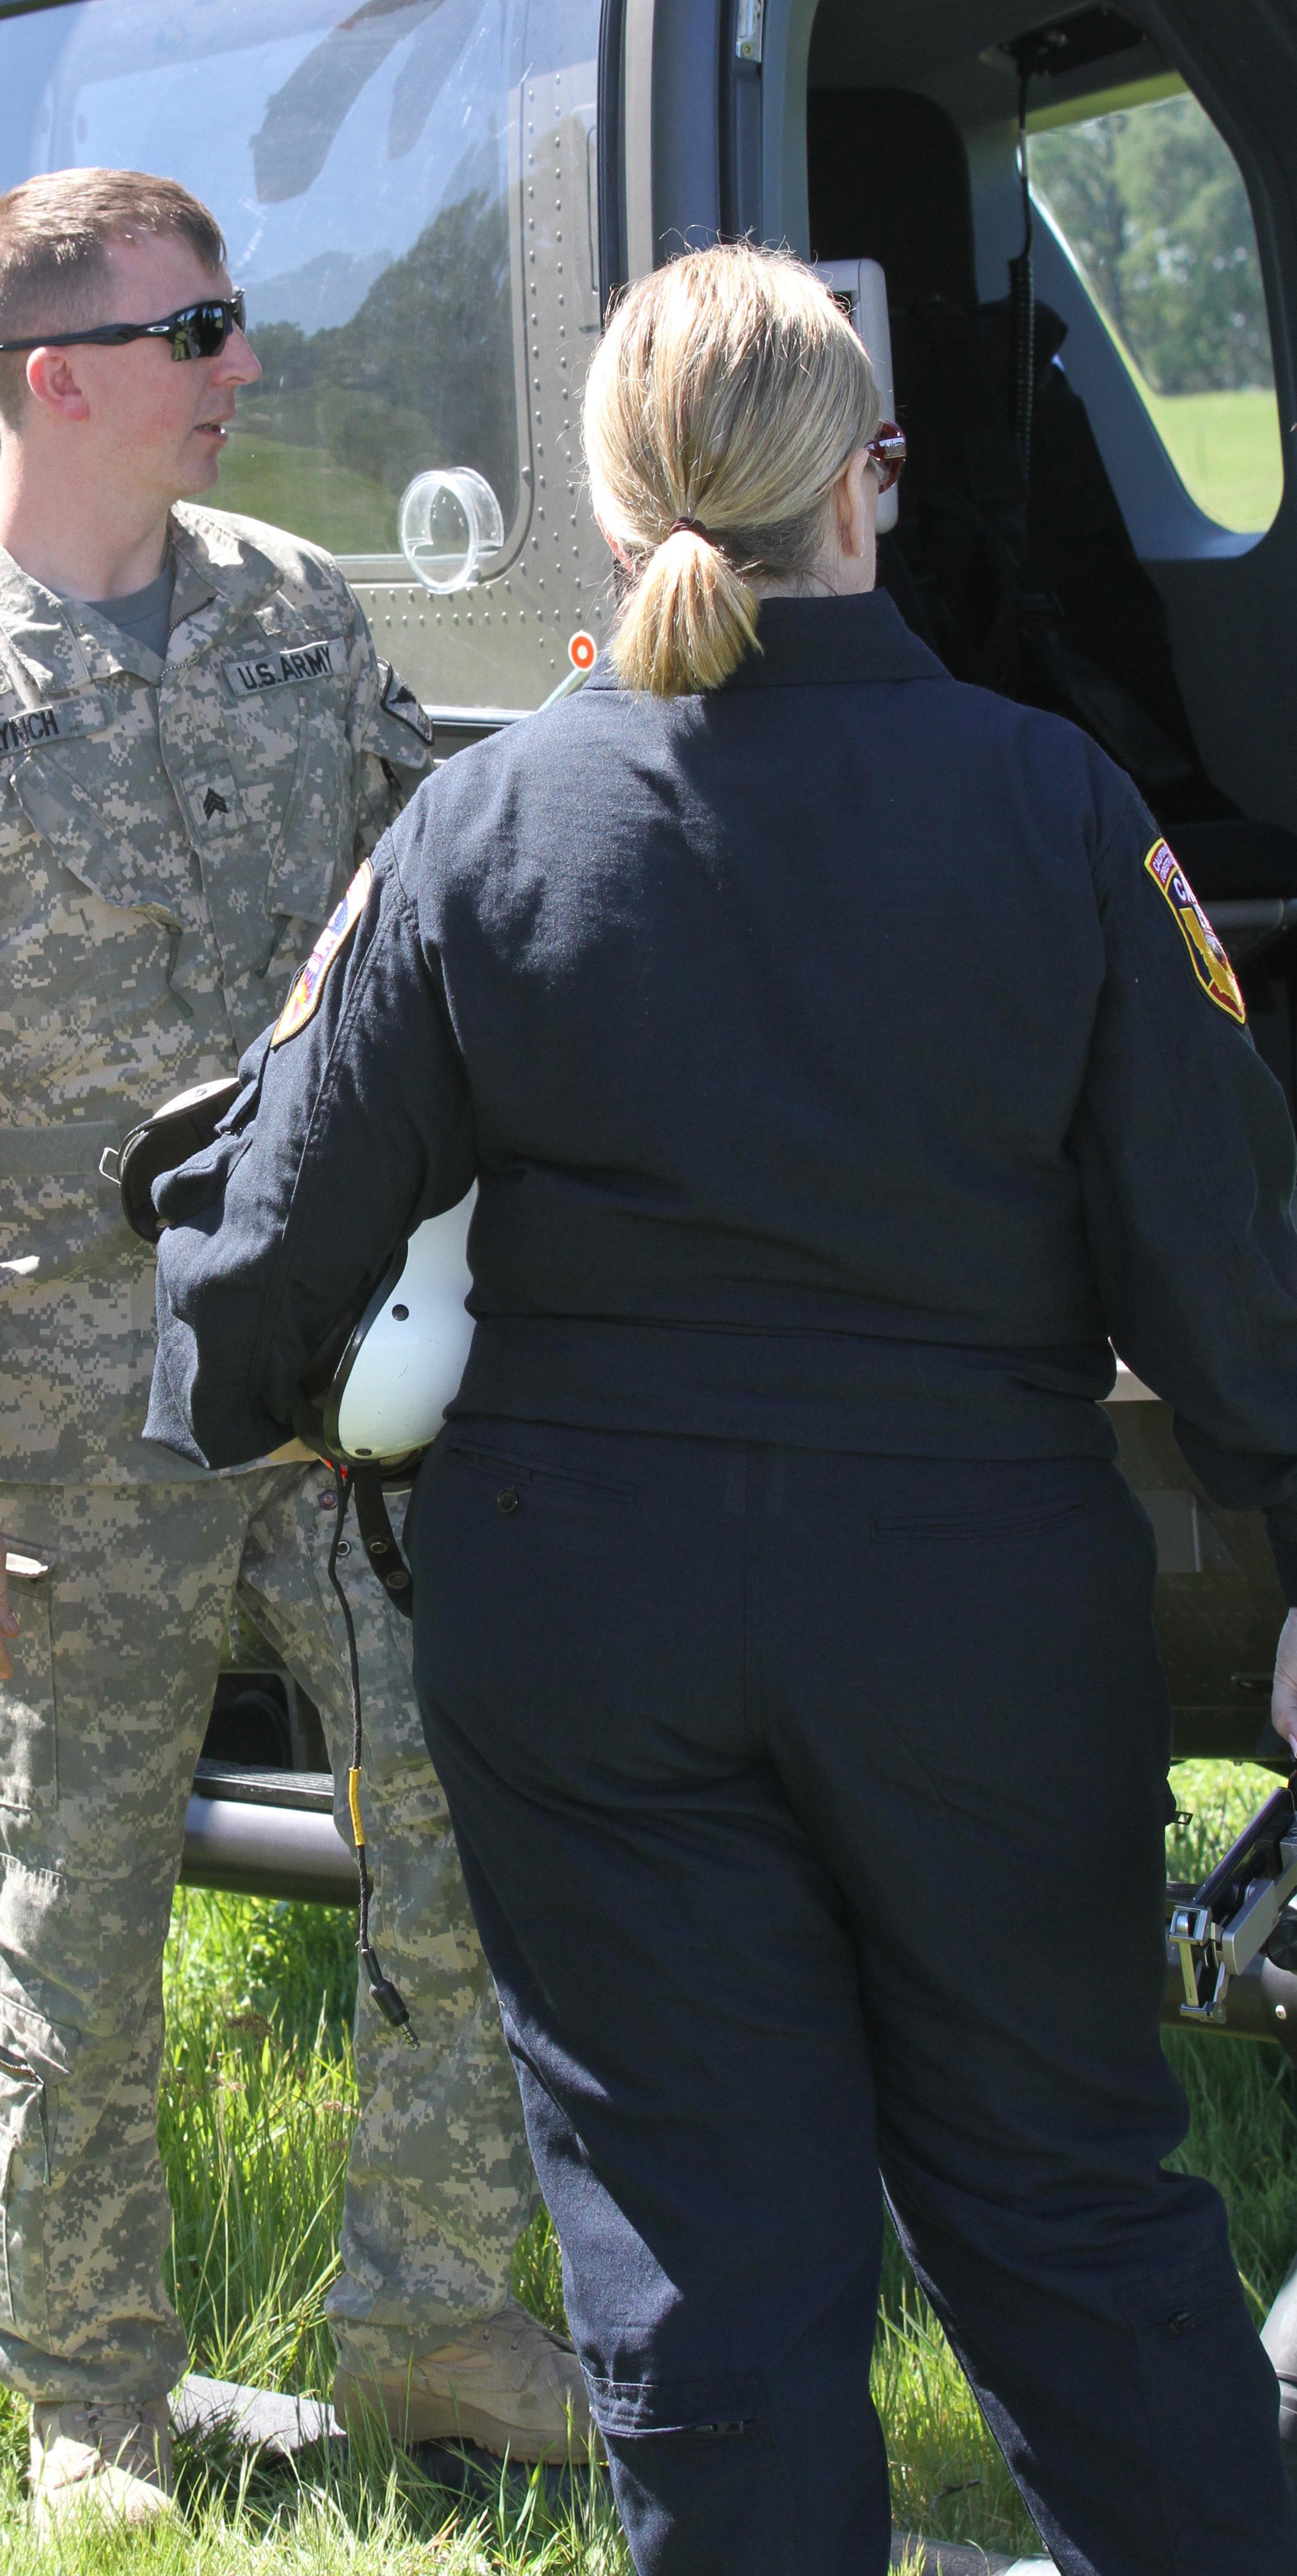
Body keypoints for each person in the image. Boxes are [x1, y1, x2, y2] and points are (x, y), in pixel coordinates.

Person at [146, 242, 1297, 2576]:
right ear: (874, 477)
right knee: (1072, 2211)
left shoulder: (476, 834)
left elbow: (261, 1272)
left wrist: (257, 1405)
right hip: (973, 1607)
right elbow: (1226, 1266)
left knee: (697, 2259)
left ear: (610, 501)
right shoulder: (1058, 807)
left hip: (587, 1618)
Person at [0, 165, 583, 2523]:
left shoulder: (290, 618)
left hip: (346, 1390)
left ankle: (435, 2319)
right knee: (69, 1912)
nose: (246, 365)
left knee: (469, 1829)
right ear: (60, 381)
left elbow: (422, 930)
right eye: (202, 330)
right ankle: (85, 2418)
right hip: (57, 1422)